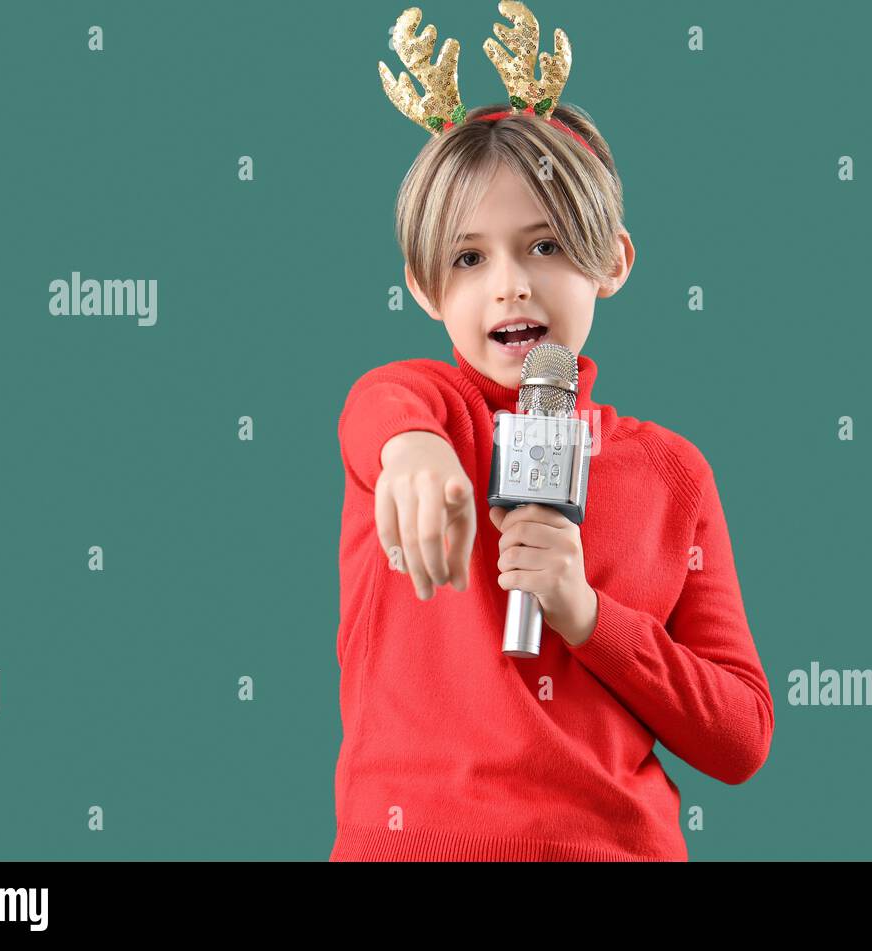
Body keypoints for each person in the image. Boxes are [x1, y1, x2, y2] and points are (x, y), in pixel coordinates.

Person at [330, 4, 773, 861]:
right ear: (425, 291)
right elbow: (382, 411)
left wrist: (587, 614)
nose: (510, 286)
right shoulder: (416, 411)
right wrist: (415, 455)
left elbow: (742, 735)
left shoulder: (672, 472)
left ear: (611, 259)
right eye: (469, 258)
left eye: (544, 246)